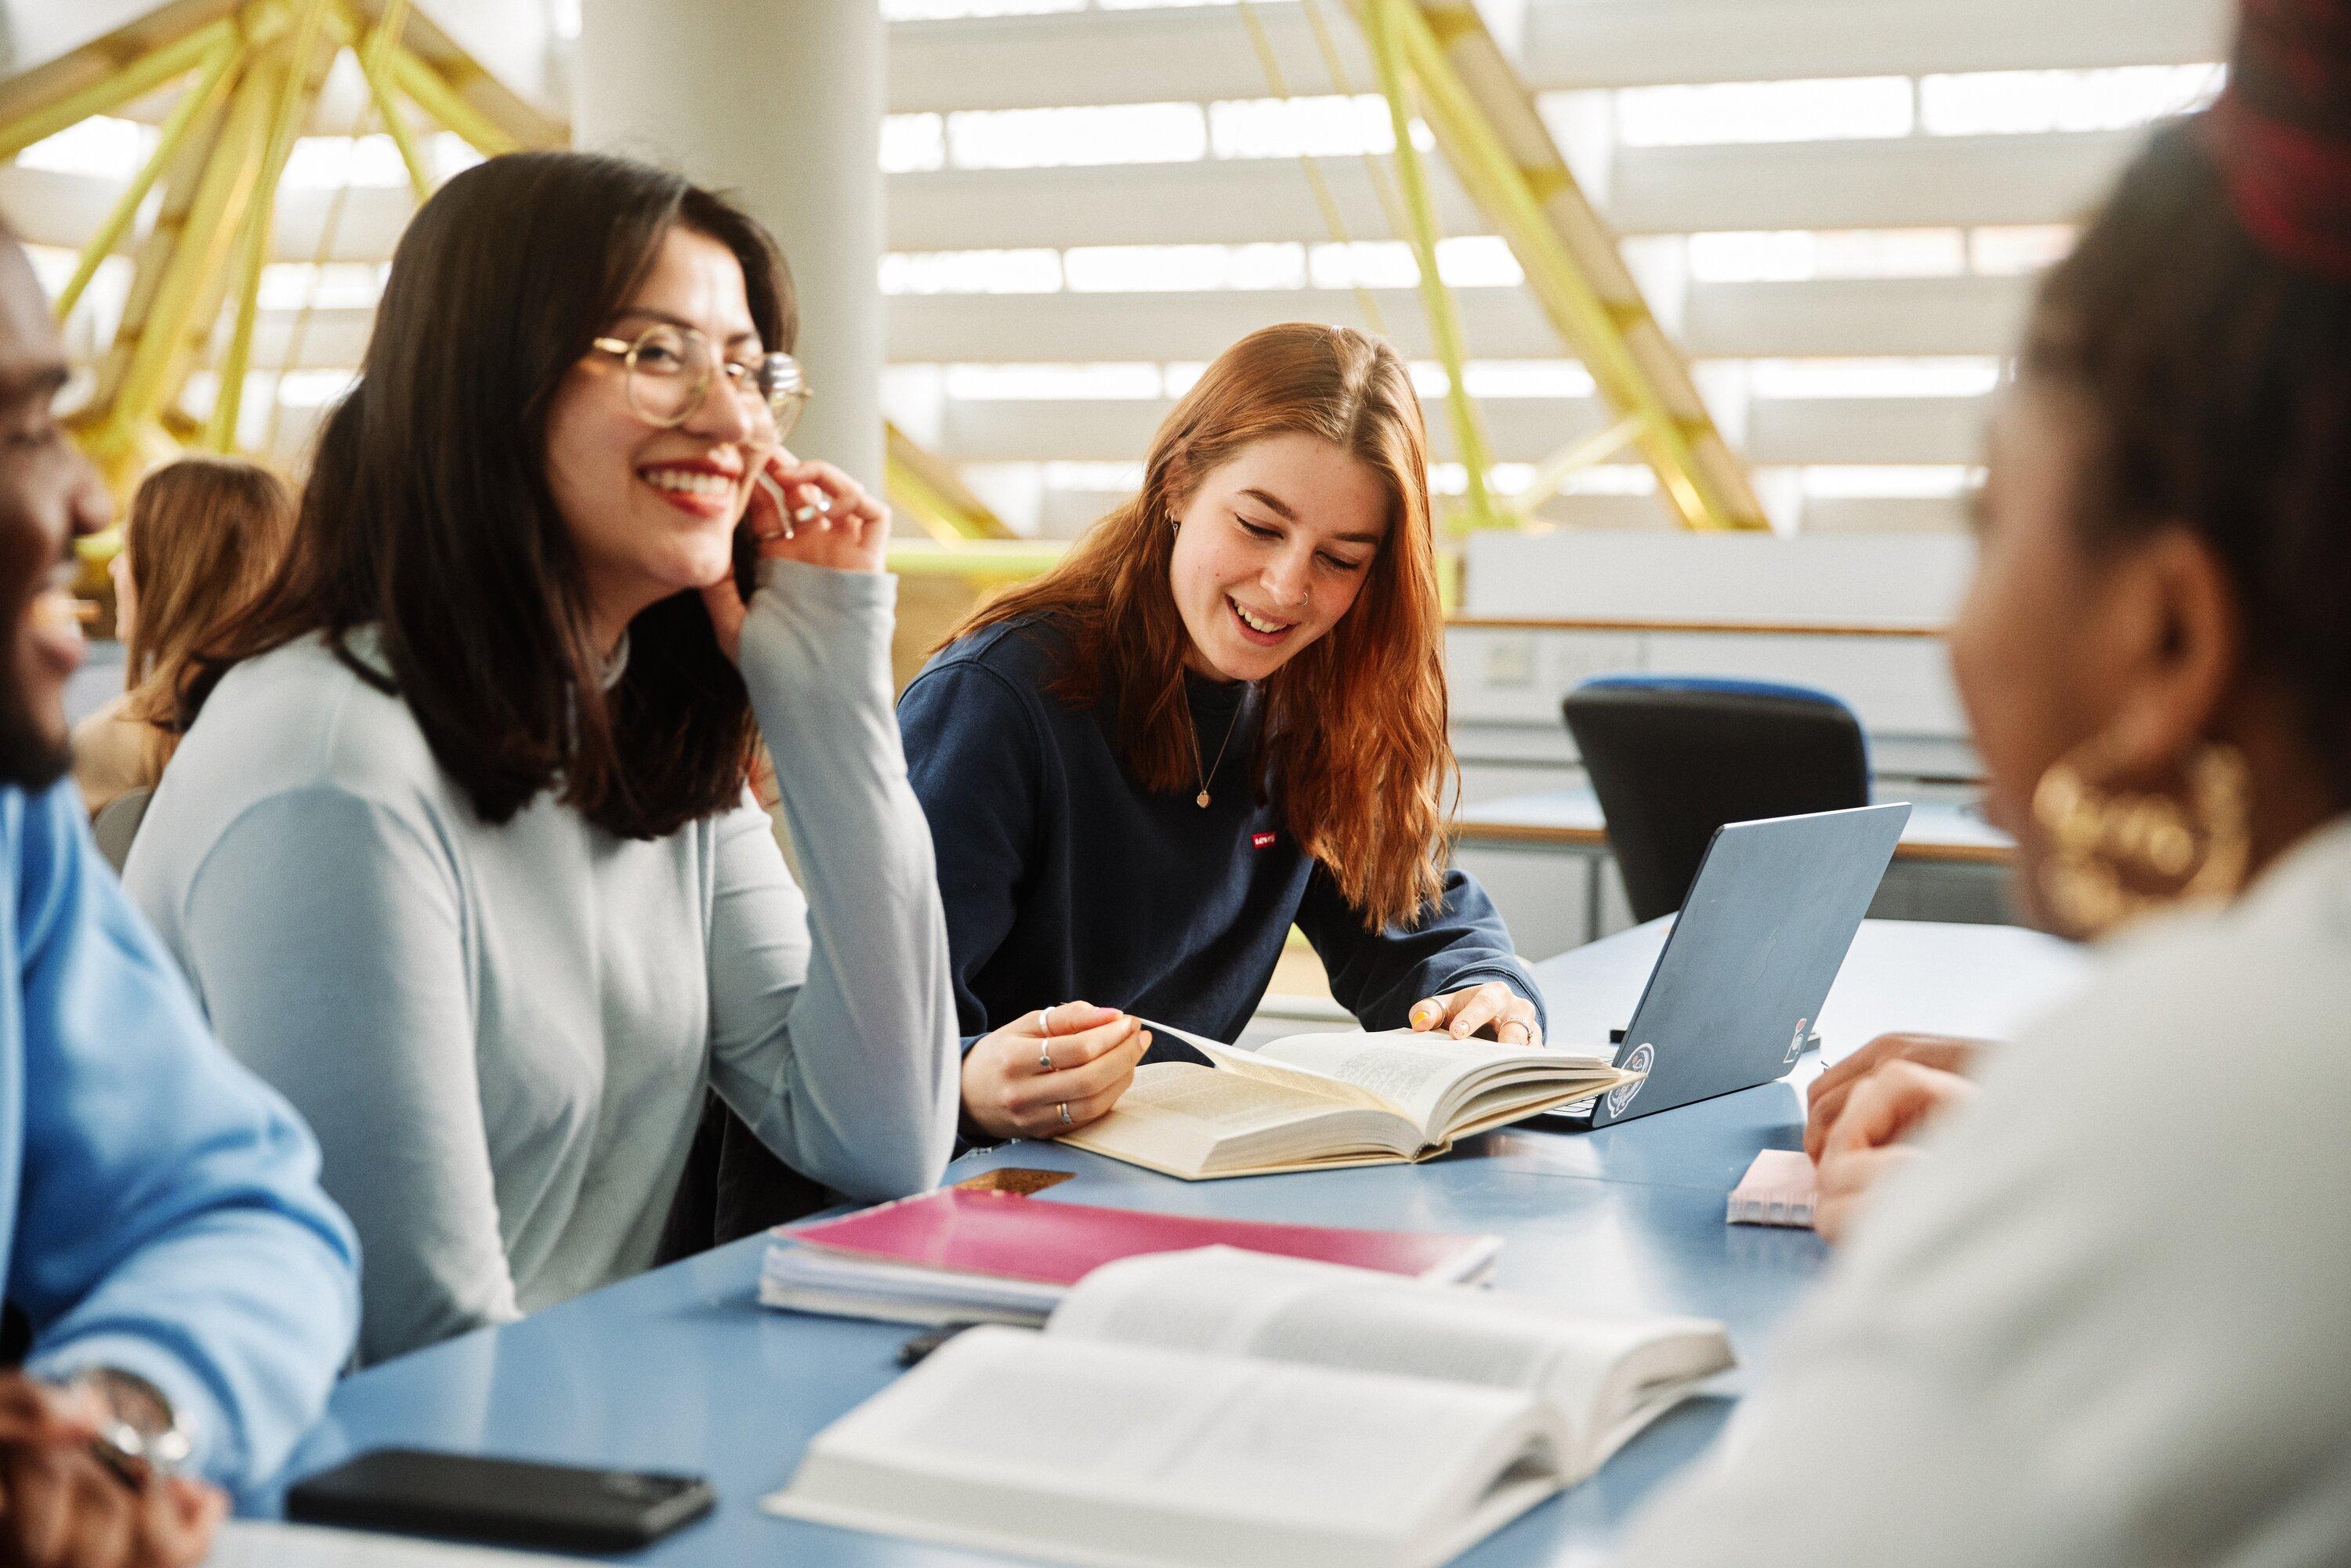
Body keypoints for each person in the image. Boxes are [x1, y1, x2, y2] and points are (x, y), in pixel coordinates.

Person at [1616, 12, 2351, 1559]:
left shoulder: (2218, 1087)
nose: (1960, 628)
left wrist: (2046, 1198)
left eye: (1990, 520)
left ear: (2170, 632)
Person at [121, 151, 959, 1366]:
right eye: (659, 354)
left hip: (545, 1443)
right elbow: (413, 1346)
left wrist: (831, 700)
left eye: (745, 365)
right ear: (486, 382)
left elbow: (881, 1132)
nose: (734, 421)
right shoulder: (333, 761)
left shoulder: (648, 741)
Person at [908, 323, 1545, 1143]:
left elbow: (1410, 916)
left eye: (1340, 560)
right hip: (958, 1195)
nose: (1285, 587)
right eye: (1258, 526)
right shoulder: (994, 698)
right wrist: (965, 1082)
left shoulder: (1307, 704)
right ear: (1176, 485)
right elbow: (865, 1045)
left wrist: (1485, 991)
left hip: (1153, 1184)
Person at [0, 230, 359, 1561]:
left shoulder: (23, 819)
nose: (88, 502)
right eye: (22, 429)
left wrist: (112, 1420)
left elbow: (239, 1212)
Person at [73, 455, 295, 816]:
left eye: (129, 548)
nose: (115, 568)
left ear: (176, 576)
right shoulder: (292, 733)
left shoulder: (110, 744)